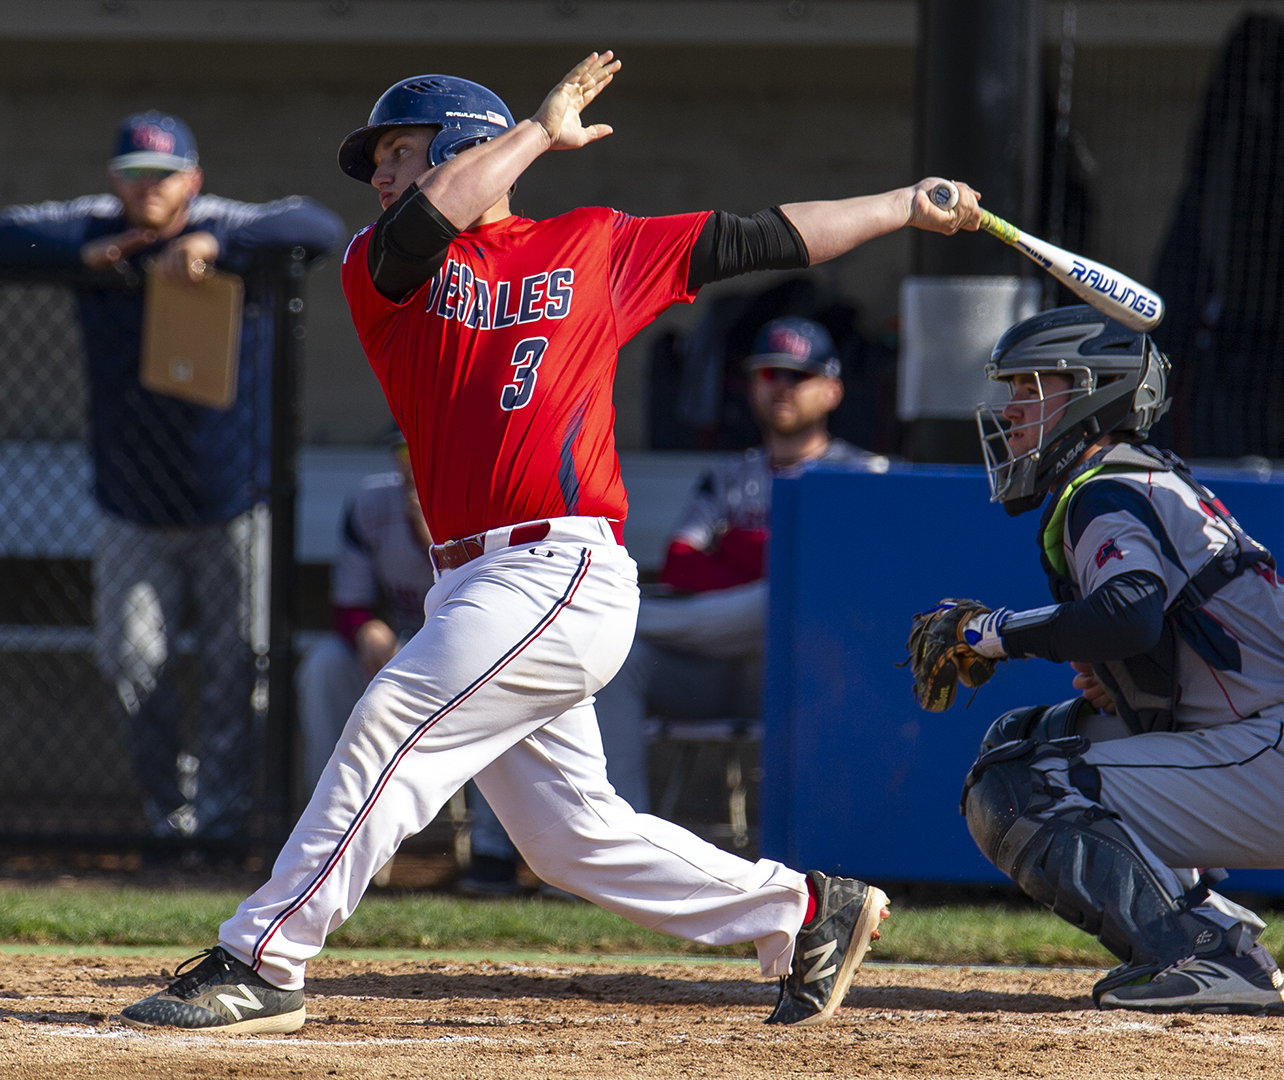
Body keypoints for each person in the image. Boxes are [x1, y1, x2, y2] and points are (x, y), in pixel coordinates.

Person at [121, 53, 982, 1034]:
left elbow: (770, 237)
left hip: (558, 567)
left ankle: (264, 957)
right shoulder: (386, 263)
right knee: (571, 840)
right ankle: (803, 910)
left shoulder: (593, 245)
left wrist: (905, 203)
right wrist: (535, 132)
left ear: (456, 147)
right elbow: (427, 217)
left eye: (400, 152)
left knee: (395, 718)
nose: (381, 174)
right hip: (474, 584)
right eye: (380, 160)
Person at [907, 306, 1284, 1016]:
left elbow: (1128, 613)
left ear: (1093, 396)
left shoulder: (1109, 488)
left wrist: (990, 634)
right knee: (1025, 746)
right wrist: (1122, 679)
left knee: (1025, 786)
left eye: (1033, 389)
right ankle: (1211, 932)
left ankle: (1203, 953)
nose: (1013, 410)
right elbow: (1153, 640)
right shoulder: (1134, 479)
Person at [0, 111, 343, 840]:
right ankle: (169, 818)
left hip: (234, 500)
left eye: (165, 177)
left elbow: (316, 223)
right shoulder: (91, 223)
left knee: (240, 665)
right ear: (115, 181)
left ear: (193, 181)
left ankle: (225, 820)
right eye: (135, 177)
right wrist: (91, 256)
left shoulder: (225, 221)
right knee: (131, 662)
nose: (150, 189)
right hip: (130, 503)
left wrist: (212, 244)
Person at [585, 316, 884, 847]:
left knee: (788, 598)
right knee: (618, 661)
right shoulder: (730, 473)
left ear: (833, 389)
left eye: (799, 375)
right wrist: (774, 558)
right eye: (769, 374)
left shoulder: (864, 473)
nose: (781, 387)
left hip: (811, 672)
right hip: (719, 666)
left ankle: (625, 617)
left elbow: (835, 579)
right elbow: (679, 563)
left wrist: (745, 553)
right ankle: (620, 849)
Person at [297, 437, 433, 801]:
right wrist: (363, 627)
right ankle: (332, 808)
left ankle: (490, 845)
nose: (415, 461)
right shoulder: (372, 503)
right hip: (398, 644)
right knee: (325, 665)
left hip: (465, 648)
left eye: (427, 447)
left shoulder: (481, 501)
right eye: (406, 450)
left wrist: (431, 538)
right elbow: (346, 603)